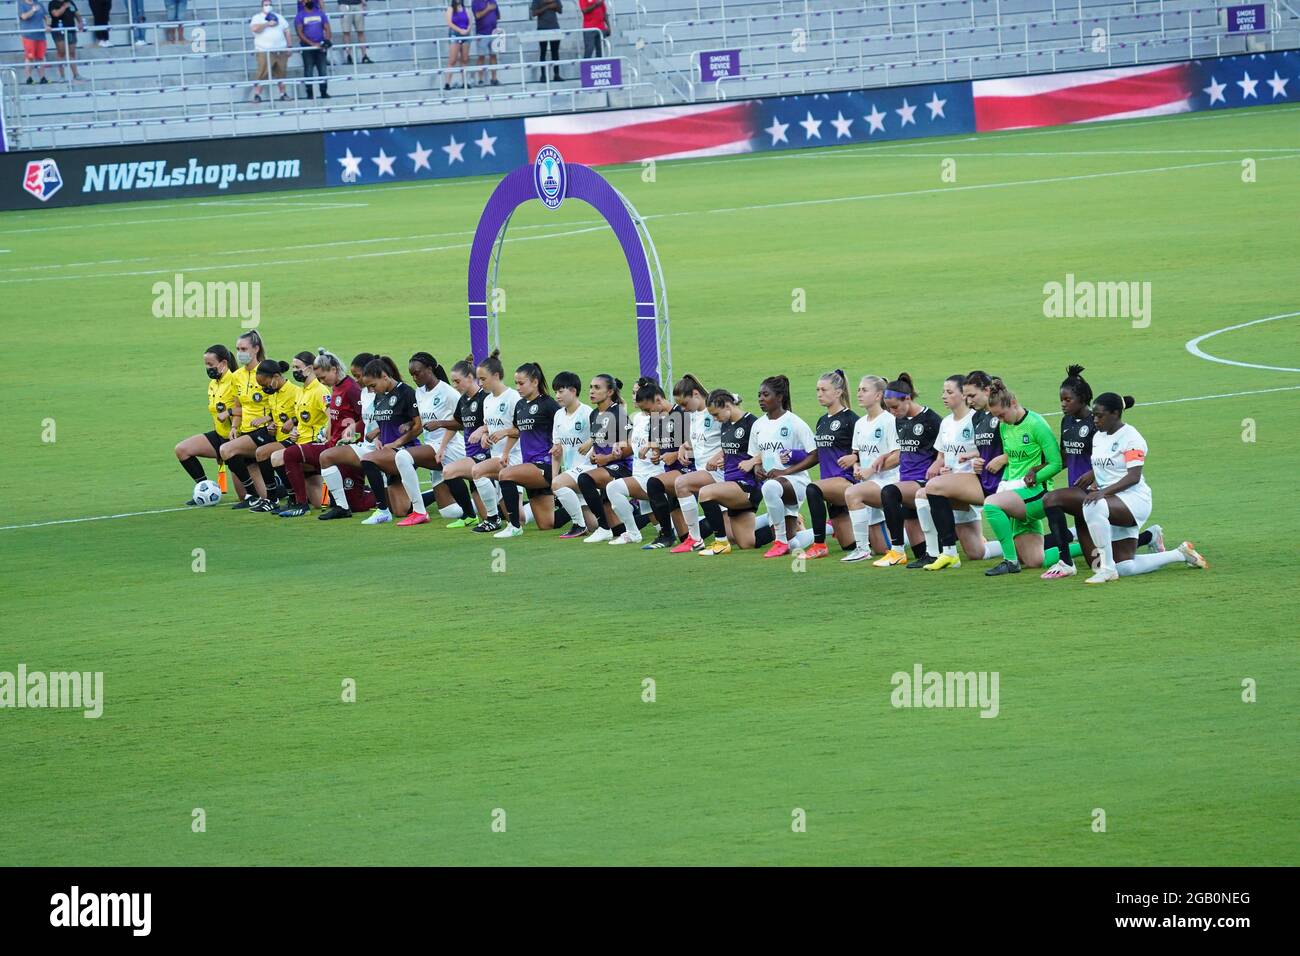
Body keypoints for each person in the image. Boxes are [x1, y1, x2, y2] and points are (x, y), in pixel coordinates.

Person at [1042, 393, 1204, 582]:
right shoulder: (1099, 437)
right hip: (1111, 501)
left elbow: (1133, 476)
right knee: (1124, 567)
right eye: (1093, 415)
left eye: (1099, 415)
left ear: (1116, 414)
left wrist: (1102, 492)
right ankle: (1180, 554)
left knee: (1092, 505)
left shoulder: (1132, 438)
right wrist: (1092, 475)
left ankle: (1107, 570)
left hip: (1133, 500)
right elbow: (1106, 464)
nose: (1095, 419)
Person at [979, 378, 1070, 576]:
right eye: (997, 417)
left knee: (991, 504)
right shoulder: (1004, 426)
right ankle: (1081, 541)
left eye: (1002, 415)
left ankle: (1009, 561)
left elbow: (1056, 463)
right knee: (1035, 560)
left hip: (1037, 493)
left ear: (1013, 403)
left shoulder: (1037, 425)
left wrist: (1032, 478)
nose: (1001, 421)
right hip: (1015, 493)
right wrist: (1005, 484)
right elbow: (1013, 460)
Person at [912, 375, 1001, 571]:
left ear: (964, 395)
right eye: (943, 392)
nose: (943, 396)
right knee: (977, 553)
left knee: (924, 493)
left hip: (973, 483)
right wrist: (940, 466)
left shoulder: (976, 419)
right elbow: (943, 456)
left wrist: (975, 459)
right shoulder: (946, 423)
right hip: (952, 484)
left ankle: (940, 552)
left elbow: (989, 450)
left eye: (949, 392)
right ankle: (1011, 543)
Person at [280, 349, 375, 519]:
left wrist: (352, 432)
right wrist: (327, 433)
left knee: (357, 506)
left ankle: (384, 493)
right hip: (331, 447)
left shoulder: (351, 389)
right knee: (291, 454)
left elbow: (366, 420)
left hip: (348, 451)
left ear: (333, 369)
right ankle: (301, 504)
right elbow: (334, 417)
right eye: (319, 379)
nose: (322, 382)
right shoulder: (336, 388)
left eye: (323, 377)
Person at [870, 373, 942, 568]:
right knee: (921, 552)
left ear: (908, 398)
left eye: (895, 407)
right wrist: (886, 456)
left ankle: (897, 551)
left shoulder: (931, 419)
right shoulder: (899, 420)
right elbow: (907, 448)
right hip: (906, 481)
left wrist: (937, 464)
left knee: (889, 492)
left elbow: (945, 449)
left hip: (923, 482)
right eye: (889, 408)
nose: (892, 412)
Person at [392, 352, 470, 527]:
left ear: (430, 369)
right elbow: (420, 420)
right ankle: (479, 507)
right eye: (411, 373)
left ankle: (419, 512)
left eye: (417, 372)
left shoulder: (449, 393)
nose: (414, 377)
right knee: (449, 512)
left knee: (403, 457)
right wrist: (408, 425)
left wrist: (440, 424)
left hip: (450, 448)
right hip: (433, 447)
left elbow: (465, 423)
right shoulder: (419, 393)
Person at [495, 363, 567, 537]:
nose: (517, 387)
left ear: (535, 382)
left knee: (505, 475)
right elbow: (516, 431)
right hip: (529, 466)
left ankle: (514, 526)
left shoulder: (548, 404)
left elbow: (566, 426)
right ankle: (583, 503)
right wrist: (505, 452)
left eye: (521, 383)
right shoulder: (520, 405)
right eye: (516, 383)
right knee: (547, 524)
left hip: (545, 465)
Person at [604, 377, 676, 546]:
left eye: (638, 392)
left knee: (613, 488)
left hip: (654, 474)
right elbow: (632, 443)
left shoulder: (662, 417)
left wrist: (655, 448)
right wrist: (619, 445)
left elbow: (667, 444)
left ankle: (632, 532)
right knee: (662, 524)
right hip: (639, 472)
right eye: (633, 392)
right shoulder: (637, 417)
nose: (635, 396)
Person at [840, 375, 900, 563]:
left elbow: (898, 456)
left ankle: (862, 549)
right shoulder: (860, 423)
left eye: (864, 390)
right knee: (883, 548)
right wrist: (857, 467)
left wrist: (871, 470)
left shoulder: (889, 420)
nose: (859, 393)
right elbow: (857, 454)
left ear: (878, 396)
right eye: (858, 389)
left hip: (887, 481)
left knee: (851, 493)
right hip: (868, 482)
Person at [315, 352, 381, 520]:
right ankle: (341, 507)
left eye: (358, 376)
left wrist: (356, 429)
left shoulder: (353, 389)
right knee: (321, 457)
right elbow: (362, 420)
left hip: (373, 446)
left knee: (359, 505)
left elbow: (370, 420)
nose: (356, 380)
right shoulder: (358, 391)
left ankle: (379, 493)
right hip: (350, 445)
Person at [218, 332, 281, 510]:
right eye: (238, 349)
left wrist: (268, 418)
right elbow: (240, 405)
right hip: (246, 430)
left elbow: (279, 403)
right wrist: (235, 426)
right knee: (259, 493)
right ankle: (274, 489)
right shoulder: (237, 376)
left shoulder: (265, 372)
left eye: (244, 349)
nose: (240, 353)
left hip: (264, 431)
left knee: (226, 450)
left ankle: (253, 495)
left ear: (256, 349)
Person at [357, 357, 423, 525]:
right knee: (401, 510)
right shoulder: (379, 396)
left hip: (405, 451)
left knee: (367, 460)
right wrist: (378, 437)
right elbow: (386, 421)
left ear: (384, 377)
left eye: (373, 385)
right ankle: (433, 494)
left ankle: (382, 511)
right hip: (387, 451)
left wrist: (397, 443)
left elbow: (418, 426)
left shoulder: (406, 393)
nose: (371, 390)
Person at [802, 370, 859, 560]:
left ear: (838, 392)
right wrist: (790, 461)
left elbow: (869, 449)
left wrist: (855, 457)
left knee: (812, 489)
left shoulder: (851, 420)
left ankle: (819, 545)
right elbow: (819, 454)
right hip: (829, 486)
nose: (819, 394)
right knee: (849, 544)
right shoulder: (821, 421)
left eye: (824, 390)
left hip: (846, 481)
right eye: (817, 389)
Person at [174, 345, 241, 503]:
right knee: (182, 450)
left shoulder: (234, 381)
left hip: (235, 439)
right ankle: (203, 489)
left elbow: (244, 409)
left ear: (223, 363)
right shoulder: (213, 384)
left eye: (210, 364)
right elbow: (216, 414)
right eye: (206, 365)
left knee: (244, 497)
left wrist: (233, 429)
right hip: (220, 435)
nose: (208, 368)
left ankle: (281, 488)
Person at [695, 389, 759, 556]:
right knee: (745, 543)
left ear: (728, 406)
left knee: (705, 492)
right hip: (731, 483)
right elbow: (729, 448)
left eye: (716, 414)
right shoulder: (726, 424)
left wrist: (752, 461)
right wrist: (717, 457)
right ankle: (786, 527)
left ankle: (720, 543)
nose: (715, 419)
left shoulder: (752, 423)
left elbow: (768, 449)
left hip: (747, 486)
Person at [468, 350, 523, 534]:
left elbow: (522, 430)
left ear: (496, 376)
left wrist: (505, 447)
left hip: (514, 457)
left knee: (477, 471)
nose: (479, 383)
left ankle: (492, 518)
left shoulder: (513, 398)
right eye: (478, 379)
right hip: (497, 455)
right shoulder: (488, 400)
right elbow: (488, 425)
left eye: (483, 379)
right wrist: (484, 435)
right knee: (520, 517)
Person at [574, 374, 633, 543]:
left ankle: (603, 527)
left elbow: (630, 447)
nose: (592, 391)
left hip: (622, 467)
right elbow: (600, 441)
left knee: (584, 479)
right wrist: (595, 456)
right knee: (619, 529)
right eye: (591, 387)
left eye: (597, 388)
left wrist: (606, 459)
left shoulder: (618, 413)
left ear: (609, 392)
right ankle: (615, 528)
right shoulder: (594, 414)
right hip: (604, 467)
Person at [640, 376, 695, 550]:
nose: (648, 415)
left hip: (689, 469)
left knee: (654, 484)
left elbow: (694, 446)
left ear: (658, 399)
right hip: (670, 471)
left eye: (648, 410)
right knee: (685, 535)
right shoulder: (655, 419)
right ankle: (686, 535)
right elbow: (659, 447)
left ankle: (665, 534)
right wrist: (655, 454)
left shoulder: (682, 414)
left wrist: (673, 454)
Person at [668, 374, 722, 553]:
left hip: (719, 473)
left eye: (684, 404)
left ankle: (694, 538)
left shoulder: (715, 411)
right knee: (742, 538)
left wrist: (720, 456)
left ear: (696, 394)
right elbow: (697, 442)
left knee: (681, 483)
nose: (683, 409)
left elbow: (733, 439)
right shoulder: (694, 415)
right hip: (703, 471)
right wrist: (683, 448)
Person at [440, 355, 494, 529]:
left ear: (470, 378)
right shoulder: (463, 400)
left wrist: (483, 430)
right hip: (470, 454)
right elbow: (456, 423)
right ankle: (473, 516)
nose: (455, 386)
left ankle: (469, 515)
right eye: (453, 382)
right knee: (489, 515)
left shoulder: (485, 397)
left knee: (449, 471)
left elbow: (497, 422)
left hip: (486, 454)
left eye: (457, 381)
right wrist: (441, 447)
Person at [548, 370, 596, 539]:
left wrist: (591, 443)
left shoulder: (587, 413)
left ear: (574, 391)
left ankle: (577, 525)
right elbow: (557, 449)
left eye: (561, 391)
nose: (557, 395)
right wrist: (554, 477)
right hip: (569, 472)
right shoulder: (558, 415)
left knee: (591, 526)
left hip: (587, 469)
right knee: (595, 527)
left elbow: (602, 438)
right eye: (556, 392)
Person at [250, 2, 292, 103]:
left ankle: (283, 93)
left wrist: (289, 46)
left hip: (280, 50)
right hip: (264, 50)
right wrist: (267, 24)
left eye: (269, 4)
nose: (268, 6)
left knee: (281, 72)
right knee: (262, 73)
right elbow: (254, 29)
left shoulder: (279, 17)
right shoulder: (257, 17)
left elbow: (287, 31)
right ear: (262, 6)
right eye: (265, 4)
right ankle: (257, 94)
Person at [296, 0, 330, 99]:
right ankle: (310, 93)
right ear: (303, 3)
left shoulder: (320, 13)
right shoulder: (300, 16)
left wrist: (326, 41)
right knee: (308, 71)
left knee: (323, 71)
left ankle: (324, 92)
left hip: (320, 47)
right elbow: (300, 33)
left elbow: (327, 28)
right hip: (307, 48)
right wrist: (312, 44)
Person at [47, 0, 85, 81]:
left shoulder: (71, 2)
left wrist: (80, 22)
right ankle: (62, 76)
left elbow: (77, 13)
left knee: (72, 52)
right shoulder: (53, 3)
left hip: (71, 31)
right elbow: (56, 14)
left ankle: (76, 75)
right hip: (58, 31)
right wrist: (64, 7)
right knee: (61, 52)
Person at [529, 0, 562, 82]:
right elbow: (534, 13)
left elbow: (560, 10)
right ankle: (543, 75)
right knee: (543, 52)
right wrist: (547, 6)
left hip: (554, 27)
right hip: (542, 27)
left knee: (555, 52)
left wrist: (555, 7)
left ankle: (556, 74)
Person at [18, 0, 49, 84]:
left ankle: (43, 78)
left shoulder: (39, 3)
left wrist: (47, 25)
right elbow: (23, 16)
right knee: (30, 57)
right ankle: (29, 78)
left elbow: (46, 16)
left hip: (40, 35)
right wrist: (33, 10)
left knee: (41, 57)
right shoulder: (21, 3)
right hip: (28, 35)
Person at [445, 0, 471, 89]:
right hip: (455, 34)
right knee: (452, 60)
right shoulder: (450, 9)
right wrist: (459, 30)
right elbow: (449, 23)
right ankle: (447, 83)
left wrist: (467, 30)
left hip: (466, 35)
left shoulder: (465, 9)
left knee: (465, 59)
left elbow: (470, 22)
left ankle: (465, 83)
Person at [471, 0, 499, 85]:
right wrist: (488, 9)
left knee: (493, 55)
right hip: (482, 33)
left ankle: (494, 79)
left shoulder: (493, 1)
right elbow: (477, 15)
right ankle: (480, 80)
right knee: (481, 56)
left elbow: (498, 15)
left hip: (493, 32)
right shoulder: (475, 2)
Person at [338, 0, 370, 65]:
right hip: (345, 4)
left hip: (358, 3)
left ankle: (364, 55)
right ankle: (349, 56)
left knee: (360, 30)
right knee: (346, 31)